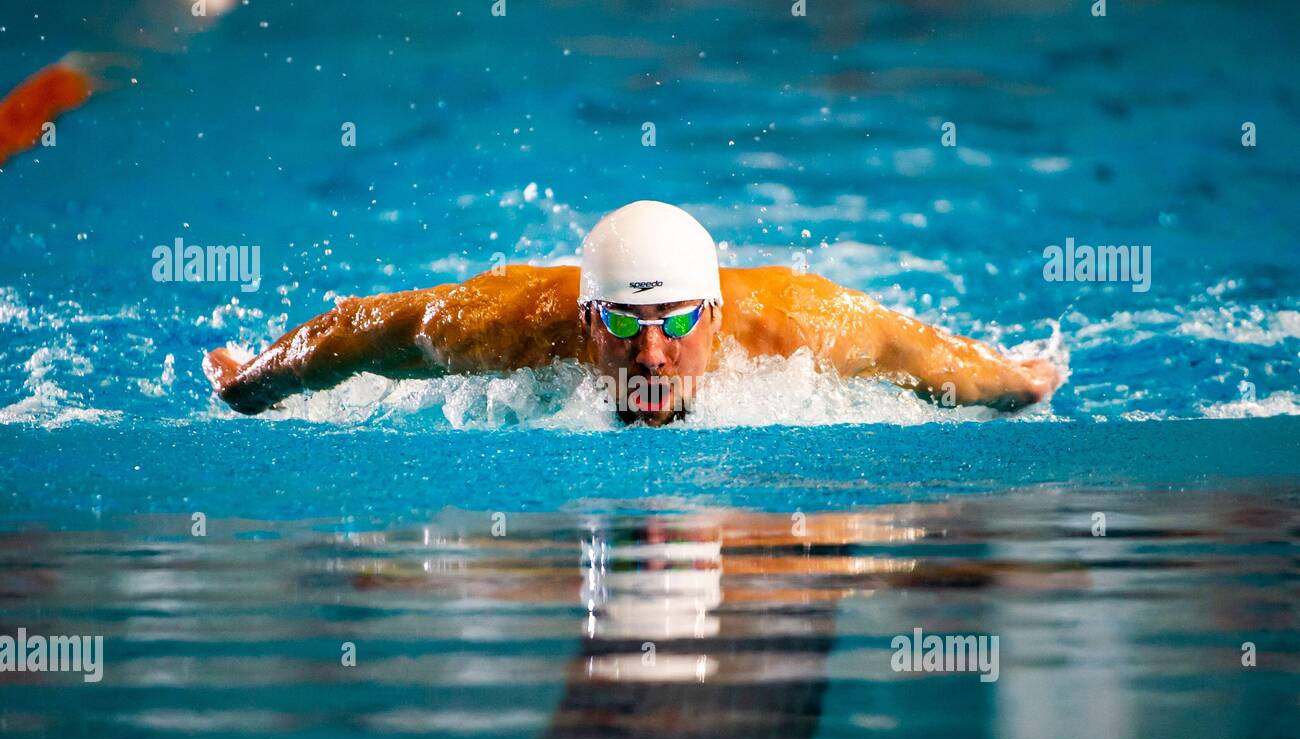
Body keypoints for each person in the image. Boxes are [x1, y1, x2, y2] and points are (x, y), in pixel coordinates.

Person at [204, 200, 1059, 425]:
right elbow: (359, 329)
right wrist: (253, 380)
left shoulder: (802, 325)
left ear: (717, 317)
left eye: (681, 323)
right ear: (584, 322)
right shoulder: (500, 328)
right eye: (621, 325)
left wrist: (1019, 383)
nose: (652, 354)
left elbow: (930, 358)